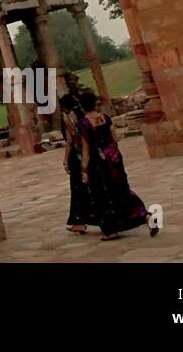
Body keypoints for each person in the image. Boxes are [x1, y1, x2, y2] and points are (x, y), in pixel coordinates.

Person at [78, 90, 155, 241]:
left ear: (82, 106)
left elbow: (86, 148)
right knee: (122, 190)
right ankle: (145, 216)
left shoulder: (84, 123)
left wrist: (84, 170)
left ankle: (110, 231)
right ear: (95, 103)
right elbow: (115, 137)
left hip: (98, 164)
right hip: (114, 159)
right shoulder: (105, 118)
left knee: (102, 195)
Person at [59, 73, 96, 234]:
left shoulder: (69, 119)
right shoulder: (85, 117)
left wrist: (66, 159)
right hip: (92, 155)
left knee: (78, 188)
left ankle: (78, 221)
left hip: (77, 156)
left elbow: (70, 141)